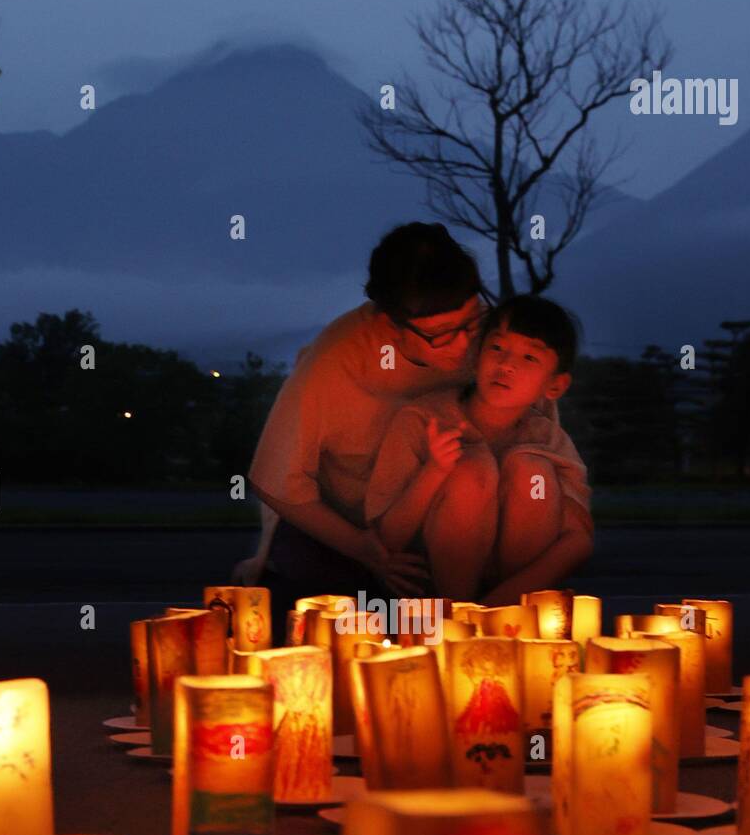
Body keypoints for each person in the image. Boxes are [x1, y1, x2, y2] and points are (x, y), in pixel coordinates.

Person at [241, 224, 495, 635]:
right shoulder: (336, 360)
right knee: (322, 620)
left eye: (471, 322)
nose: (464, 345)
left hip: (451, 520)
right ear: (390, 324)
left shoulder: (491, 341)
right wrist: (364, 548)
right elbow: (278, 479)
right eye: (441, 335)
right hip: (347, 525)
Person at [364, 295, 593, 604]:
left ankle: (504, 614)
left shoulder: (548, 440)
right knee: (472, 469)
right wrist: (436, 470)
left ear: (555, 386)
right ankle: (458, 615)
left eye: (529, 357)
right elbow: (388, 538)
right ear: (476, 355)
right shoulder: (423, 419)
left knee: (532, 473)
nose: (506, 365)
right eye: (497, 347)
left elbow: (577, 541)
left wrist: (496, 605)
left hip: (509, 598)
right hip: (433, 595)